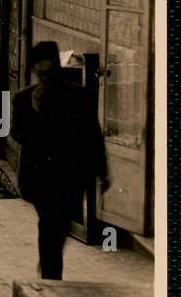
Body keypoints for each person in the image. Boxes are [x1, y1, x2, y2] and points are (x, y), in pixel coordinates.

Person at [10, 41, 110, 280]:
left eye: (50, 73)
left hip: (70, 174)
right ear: (35, 71)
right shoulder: (24, 98)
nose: (45, 78)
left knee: (60, 225)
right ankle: (51, 273)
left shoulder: (78, 96)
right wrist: (35, 111)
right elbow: (18, 135)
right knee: (49, 223)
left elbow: (92, 134)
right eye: (40, 73)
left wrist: (102, 171)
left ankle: (49, 265)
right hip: (38, 175)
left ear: (58, 69)